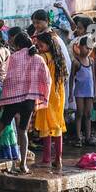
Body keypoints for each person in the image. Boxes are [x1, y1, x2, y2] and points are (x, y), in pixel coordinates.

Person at [0, 30, 49, 174]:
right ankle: (23, 164)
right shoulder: (38, 58)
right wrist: (39, 93)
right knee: (23, 131)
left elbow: (8, 79)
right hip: (29, 99)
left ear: (18, 44)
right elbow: (46, 78)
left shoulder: (14, 57)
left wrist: (4, 100)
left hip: (13, 98)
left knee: (2, 124)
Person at [33, 30, 68, 171]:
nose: (39, 48)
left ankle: (47, 158)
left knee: (46, 126)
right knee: (57, 124)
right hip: (59, 93)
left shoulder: (44, 57)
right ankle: (58, 159)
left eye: (40, 45)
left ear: (48, 45)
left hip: (47, 94)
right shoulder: (59, 57)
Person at [71, 33, 96, 146]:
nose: (89, 50)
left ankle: (88, 137)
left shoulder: (91, 61)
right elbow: (71, 79)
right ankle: (78, 137)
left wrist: (95, 92)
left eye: (90, 48)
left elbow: (93, 78)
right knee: (79, 113)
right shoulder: (76, 62)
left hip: (89, 91)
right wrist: (71, 94)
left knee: (88, 114)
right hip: (80, 92)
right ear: (80, 47)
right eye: (87, 47)